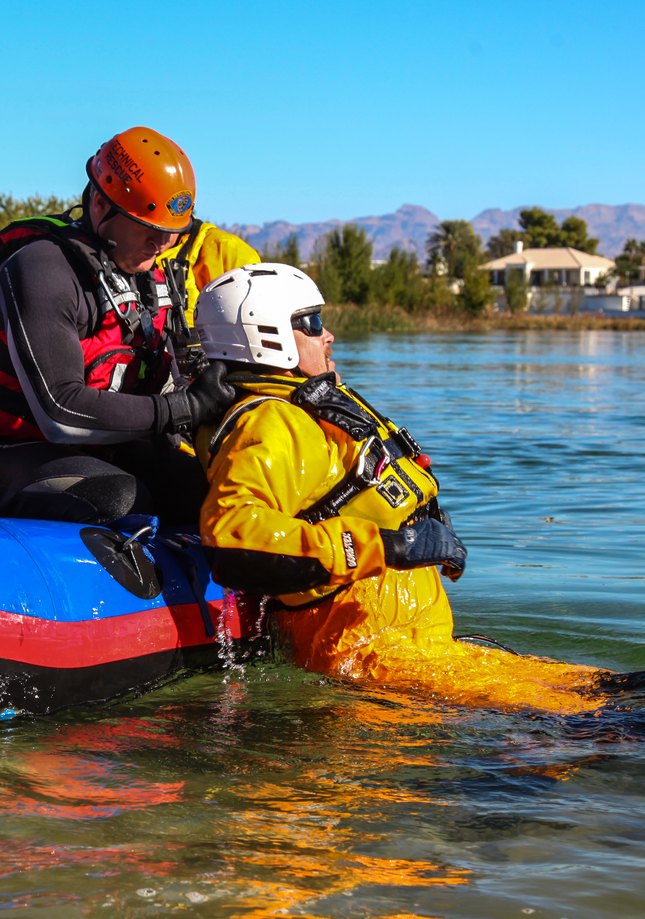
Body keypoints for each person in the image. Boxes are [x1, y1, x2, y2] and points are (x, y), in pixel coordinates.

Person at [192, 263, 609, 712]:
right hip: (368, 659)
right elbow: (234, 538)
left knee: (639, 691)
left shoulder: (304, 411)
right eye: (311, 323)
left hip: (418, 649)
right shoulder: (269, 423)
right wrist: (388, 546)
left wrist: (422, 531)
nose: (327, 334)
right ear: (266, 335)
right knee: (600, 725)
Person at [0, 127, 237, 524]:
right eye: (149, 229)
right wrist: (186, 408)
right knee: (122, 499)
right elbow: (60, 410)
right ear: (100, 204)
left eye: (170, 234)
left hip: (103, 449)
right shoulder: (42, 268)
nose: (161, 244)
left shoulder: (147, 272)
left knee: (209, 496)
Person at [155, 217, 261, 374]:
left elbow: (258, 328)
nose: (157, 236)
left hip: (214, 378)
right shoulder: (121, 249)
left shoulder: (227, 250)